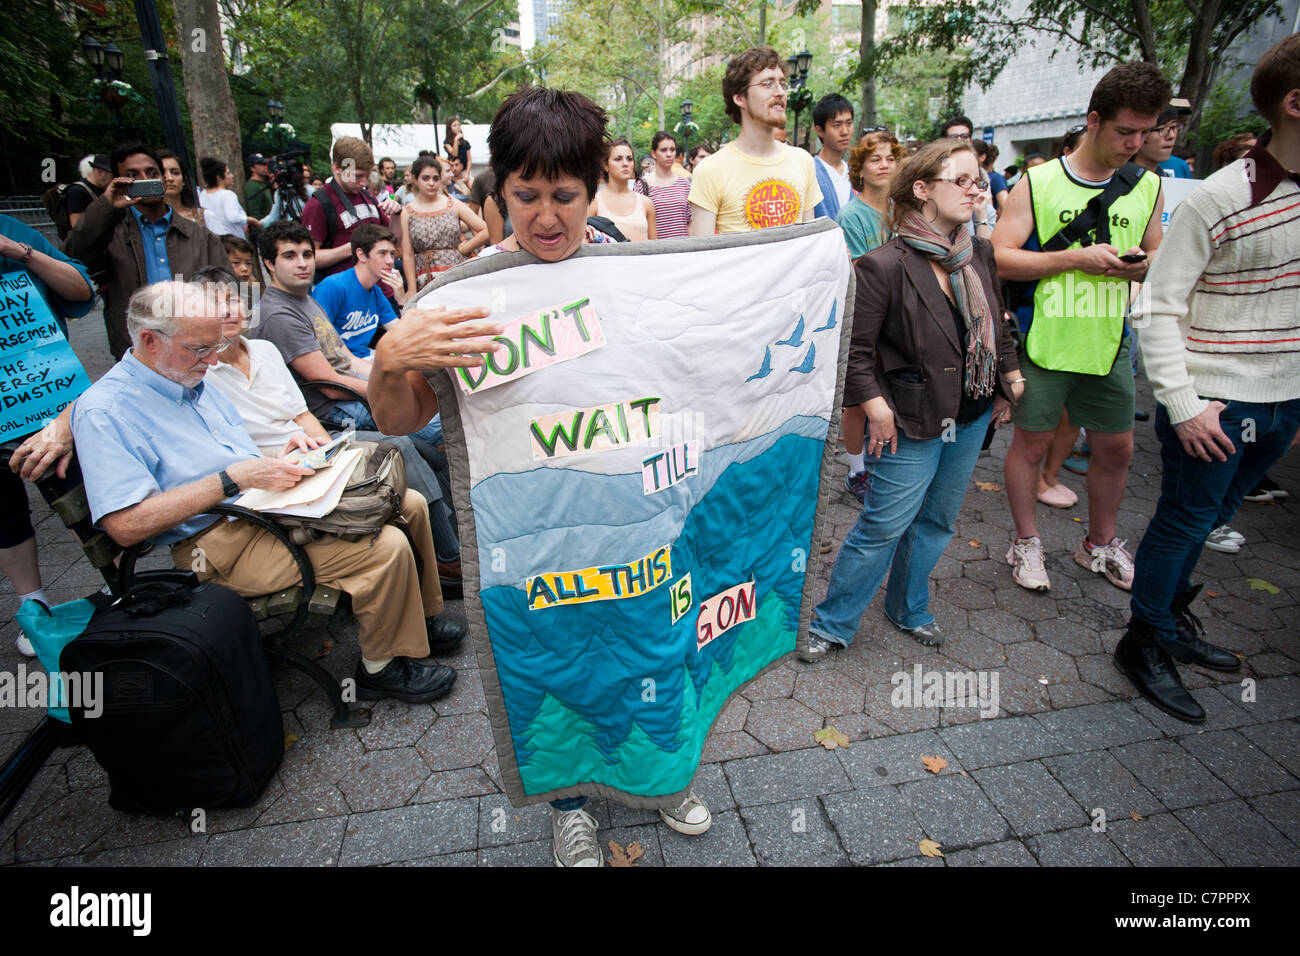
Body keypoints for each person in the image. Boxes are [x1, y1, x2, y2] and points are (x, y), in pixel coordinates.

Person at [366, 86, 715, 867]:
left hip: (645, 524)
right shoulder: (466, 295)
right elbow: (397, 418)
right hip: (534, 538)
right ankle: (570, 802)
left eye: (565, 195)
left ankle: (665, 778)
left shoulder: (640, 272)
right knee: (556, 664)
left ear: (594, 190)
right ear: (499, 192)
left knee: (656, 652)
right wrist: (391, 356)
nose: (547, 216)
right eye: (526, 196)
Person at [71, 280, 465, 702]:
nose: (211, 359)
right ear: (149, 340)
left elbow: (232, 455)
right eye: (201, 349)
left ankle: (418, 621)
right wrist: (232, 478)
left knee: (409, 503)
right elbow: (126, 526)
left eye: (214, 346)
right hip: (213, 547)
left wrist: (283, 453)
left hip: (258, 510)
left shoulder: (189, 377)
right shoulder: (107, 411)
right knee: (383, 545)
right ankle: (379, 669)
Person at [1116, 35, 1300, 723]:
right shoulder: (1217, 198)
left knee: (1216, 518)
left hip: (1284, 399)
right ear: (1294, 102)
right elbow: (1155, 307)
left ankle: (1168, 619)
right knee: (1185, 518)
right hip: (1216, 400)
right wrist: (1185, 404)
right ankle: (1142, 641)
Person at [802, 139, 1022, 659]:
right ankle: (831, 623)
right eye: (961, 180)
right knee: (882, 525)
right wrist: (875, 407)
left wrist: (1009, 380)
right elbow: (854, 352)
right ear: (922, 189)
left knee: (938, 522)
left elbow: (999, 325)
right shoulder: (883, 265)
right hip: (910, 420)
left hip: (970, 416)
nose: (976, 189)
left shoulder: (980, 253)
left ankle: (908, 607)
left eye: (979, 180)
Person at [992, 61, 1167, 593]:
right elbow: (997, 257)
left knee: (1117, 449)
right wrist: (1074, 260)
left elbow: (1159, 250)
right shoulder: (1038, 183)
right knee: (1031, 446)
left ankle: (1099, 544)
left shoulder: (1148, 185)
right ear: (1094, 120)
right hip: (1044, 342)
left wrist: (1143, 266)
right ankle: (1025, 541)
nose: (1135, 143)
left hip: (1108, 342)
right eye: (1124, 131)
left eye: (1145, 131)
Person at [1, 213, 96, 655]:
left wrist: (17, 252)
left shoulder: (13, 230)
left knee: (83, 496)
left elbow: (81, 292)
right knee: (5, 515)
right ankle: (33, 607)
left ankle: (123, 589)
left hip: (45, 404)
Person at [64, 141, 231, 360]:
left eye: (152, 172)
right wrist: (106, 205)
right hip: (137, 352)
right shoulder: (109, 235)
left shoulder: (200, 236)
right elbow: (72, 258)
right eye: (133, 175)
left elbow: (230, 290)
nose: (145, 180)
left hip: (196, 350)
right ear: (121, 182)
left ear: (163, 178)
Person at [836, 128, 904, 501]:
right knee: (858, 399)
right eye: (875, 159)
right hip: (866, 315)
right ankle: (856, 470)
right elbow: (860, 268)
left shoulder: (903, 210)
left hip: (900, 316)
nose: (884, 165)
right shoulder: (851, 214)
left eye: (890, 159)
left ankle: (887, 461)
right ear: (861, 168)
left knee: (889, 391)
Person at [689, 47, 822, 235]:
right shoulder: (710, 171)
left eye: (783, 84)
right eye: (767, 84)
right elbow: (703, 255)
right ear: (740, 98)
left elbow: (810, 241)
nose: (780, 92)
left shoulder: (803, 160)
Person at [299, 136, 403, 278]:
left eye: (367, 175)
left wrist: (397, 214)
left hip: (381, 289)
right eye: (358, 176)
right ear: (337, 168)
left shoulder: (367, 196)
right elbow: (307, 258)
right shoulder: (319, 204)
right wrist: (351, 248)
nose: (363, 182)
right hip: (345, 292)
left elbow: (394, 242)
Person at [314, 223, 407, 358]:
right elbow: (320, 343)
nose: (390, 261)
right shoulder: (333, 286)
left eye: (392, 254)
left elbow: (403, 334)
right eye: (382, 253)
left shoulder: (375, 292)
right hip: (340, 364)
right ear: (361, 255)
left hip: (365, 357)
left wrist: (401, 299)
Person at [399, 155, 489, 291]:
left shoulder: (452, 204)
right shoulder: (407, 211)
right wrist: (411, 289)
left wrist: (465, 248)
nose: (431, 183)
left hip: (456, 274)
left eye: (435, 178)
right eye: (425, 178)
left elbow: (486, 230)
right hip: (425, 279)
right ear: (415, 179)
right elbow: (407, 254)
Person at [592, 138, 656, 241]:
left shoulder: (646, 203)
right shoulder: (594, 202)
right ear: (605, 165)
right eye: (618, 159)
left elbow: (655, 247)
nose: (625, 164)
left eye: (629, 159)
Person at [637, 131, 691, 238]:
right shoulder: (643, 185)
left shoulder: (684, 184)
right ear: (653, 153)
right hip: (658, 251)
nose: (669, 154)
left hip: (684, 250)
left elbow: (689, 221)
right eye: (663, 150)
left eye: (672, 150)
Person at [811, 94, 856, 220]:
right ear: (819, 130)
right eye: (837, 125)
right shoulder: (811, 172)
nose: (845, 132)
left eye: (849, 123)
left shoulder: (855, 173)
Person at [198, 157, 257, 238]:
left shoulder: (202, 194)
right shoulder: (228, 195)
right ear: (219, 178)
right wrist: (250, 220)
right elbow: (233, 217)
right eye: (228, 173)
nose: (232, 176)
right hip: (233, 241)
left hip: (213, 241)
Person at [64, 154, 114, 234]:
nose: (114, 180)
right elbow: (78, 228)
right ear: (100, 172)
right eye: (112, 176)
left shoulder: (102, 190)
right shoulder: (77, 191)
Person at [158, 149, 205, 226]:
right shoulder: (144, 221)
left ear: (184, 179)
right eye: (162, 173)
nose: (169, 178)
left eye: (175, 173)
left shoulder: (203, 217)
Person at [1134, 107, 1185, 177]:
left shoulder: (1165, 177)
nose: (1171, 136)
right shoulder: (1117, 178)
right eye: (1161, 129)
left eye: (1173, 127)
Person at [244, 154, 274, 220]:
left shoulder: (263, 183)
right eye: (260, 164)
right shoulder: (252, 186)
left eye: (265, 163)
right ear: (252, 168)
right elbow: (254, 215)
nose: (265, 166)